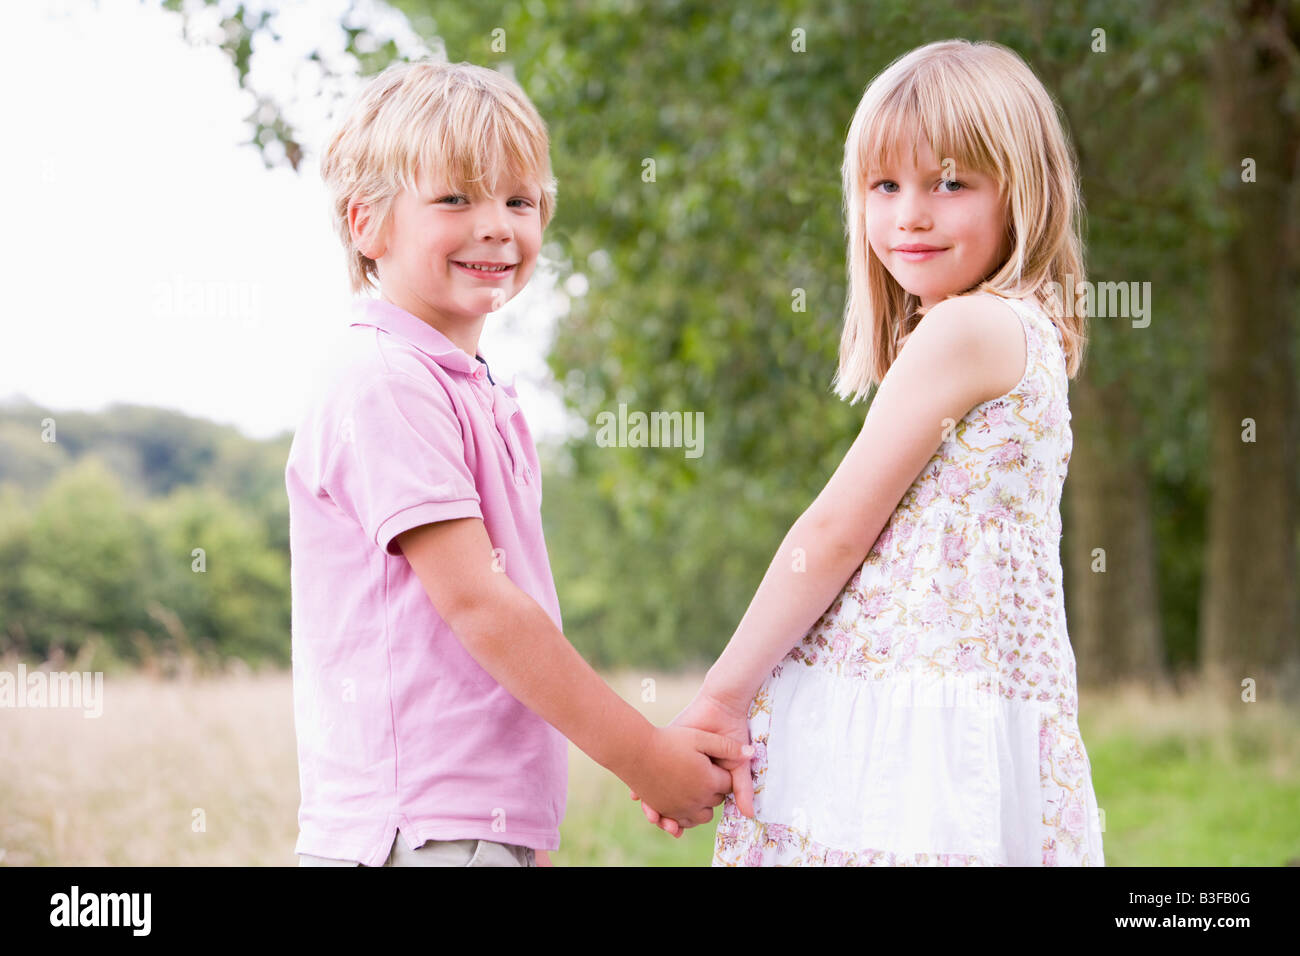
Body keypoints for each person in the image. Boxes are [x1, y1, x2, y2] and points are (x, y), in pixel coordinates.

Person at [633, 38, 1105, 866]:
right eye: (884, 186)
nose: (909, 215)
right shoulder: (1024, 334)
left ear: (1023, 194)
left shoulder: (965, 329)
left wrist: (721, 694)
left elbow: (836, 532)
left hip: (910, 726)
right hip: (959, 713)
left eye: (949, 183)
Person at [286, 58, 750, 868]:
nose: (497, 224)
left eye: (519, 199)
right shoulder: (384, 379)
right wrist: (646, 759)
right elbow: (481, 605)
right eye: (456, 198)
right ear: (368, 224)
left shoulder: (469, 387)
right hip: (423, 827)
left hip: (476, 823)